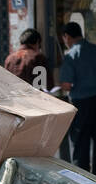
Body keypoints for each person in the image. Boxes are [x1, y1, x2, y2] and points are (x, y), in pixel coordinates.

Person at [57, 21, 96, 181]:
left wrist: (60, 85)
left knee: (80, 144)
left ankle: (82, 181)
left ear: (67, 37)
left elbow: (67, 85)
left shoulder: (71, 56)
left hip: (81, 104)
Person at [4, 28, 69, 160]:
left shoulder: (10, 59)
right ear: (37, 43)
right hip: (36, 110)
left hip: (16, 110)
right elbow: (45, 87)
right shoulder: (38, 58)